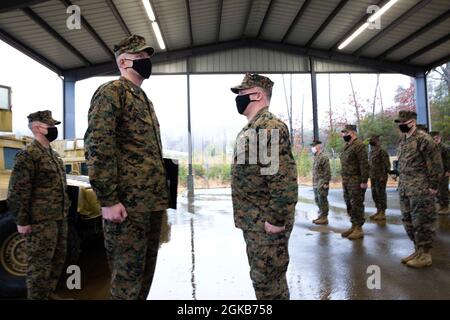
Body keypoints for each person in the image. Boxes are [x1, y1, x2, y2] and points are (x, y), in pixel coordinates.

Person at [84, 34, 169, 299]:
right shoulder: (111, 92)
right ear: (123, 62)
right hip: (127, 206)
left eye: (147, 58)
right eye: (141, 57)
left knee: (144, 277)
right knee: (126, 281)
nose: (146, 62)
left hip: (150, 204)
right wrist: (108, 199)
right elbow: (98, 146)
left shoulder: (142, 99)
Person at [230, 73, 298, 300]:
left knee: (269, 283)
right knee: (263, 280)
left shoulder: (268, 127)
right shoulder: (254, 128)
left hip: (266, 223)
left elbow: (282, 179)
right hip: (255, 221)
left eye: (241, 94)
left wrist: (277, 219)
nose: (238, 98)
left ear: (257, 94)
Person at [7, 110, 69, 300]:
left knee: (57, 260)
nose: (54, 129)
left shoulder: (53, 154)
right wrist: (22, 220)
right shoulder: (28, 155)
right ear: (37, 128)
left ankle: (47, 294)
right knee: (39, 266)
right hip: (40, 221)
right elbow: (18, 190)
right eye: (50, 126)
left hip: (58, 218)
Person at [395, 111, 443, 268]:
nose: (400, 125)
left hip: (420, 189)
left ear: (412, 122)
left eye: (403, 122)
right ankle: (417, 250)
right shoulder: (403, 140)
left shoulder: (424, 139)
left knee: (422, 222)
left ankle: (425, 254)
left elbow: (436, 165)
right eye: (399, 123)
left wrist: (433, 186)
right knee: (408, 221)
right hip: (405, 188)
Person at [340, 124, 369, 240]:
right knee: (349, 204)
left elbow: (363, 164)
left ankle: (359, 228)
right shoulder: (347, 146)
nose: (343, 135)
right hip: (347, 180)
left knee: (356, 204)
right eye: (343, 133)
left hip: (356, 180)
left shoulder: (359, 146)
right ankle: (353, 225)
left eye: (345, 133)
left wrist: (364, 181)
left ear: (352, 133)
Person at [368, 135, 391, 221]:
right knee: (375, 194)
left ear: (377, 141)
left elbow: (386, 164)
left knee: (381, 194)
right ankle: (378, 210)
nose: (371, 141)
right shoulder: (371, 152)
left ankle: (382, 212)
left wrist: (383, 175)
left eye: (373, 139)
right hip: (373, 176)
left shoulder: (382, 151)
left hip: (380, 177)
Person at [310, 140, 331, 225]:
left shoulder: (323, 157)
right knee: (317, 199)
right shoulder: (316, 156)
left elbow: (327, 171)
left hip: (322, 182)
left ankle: (324, 217)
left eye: (314, 146)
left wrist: (326, 182)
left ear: (318, 146)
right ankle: (321, 215)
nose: (312, 148)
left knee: (322, 199)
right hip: (316, 182)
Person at [430, 131, 449, 215]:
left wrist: (448, 171)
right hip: (435, 172)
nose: (435, 140)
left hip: (444, 172)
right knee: (437, 190)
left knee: (443, 189)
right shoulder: (432, 148)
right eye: (433, 139)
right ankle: (441, 205)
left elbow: (448, 160)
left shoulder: (445, 148)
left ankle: (446, 207)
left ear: (439, 138)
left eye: (436, 138)